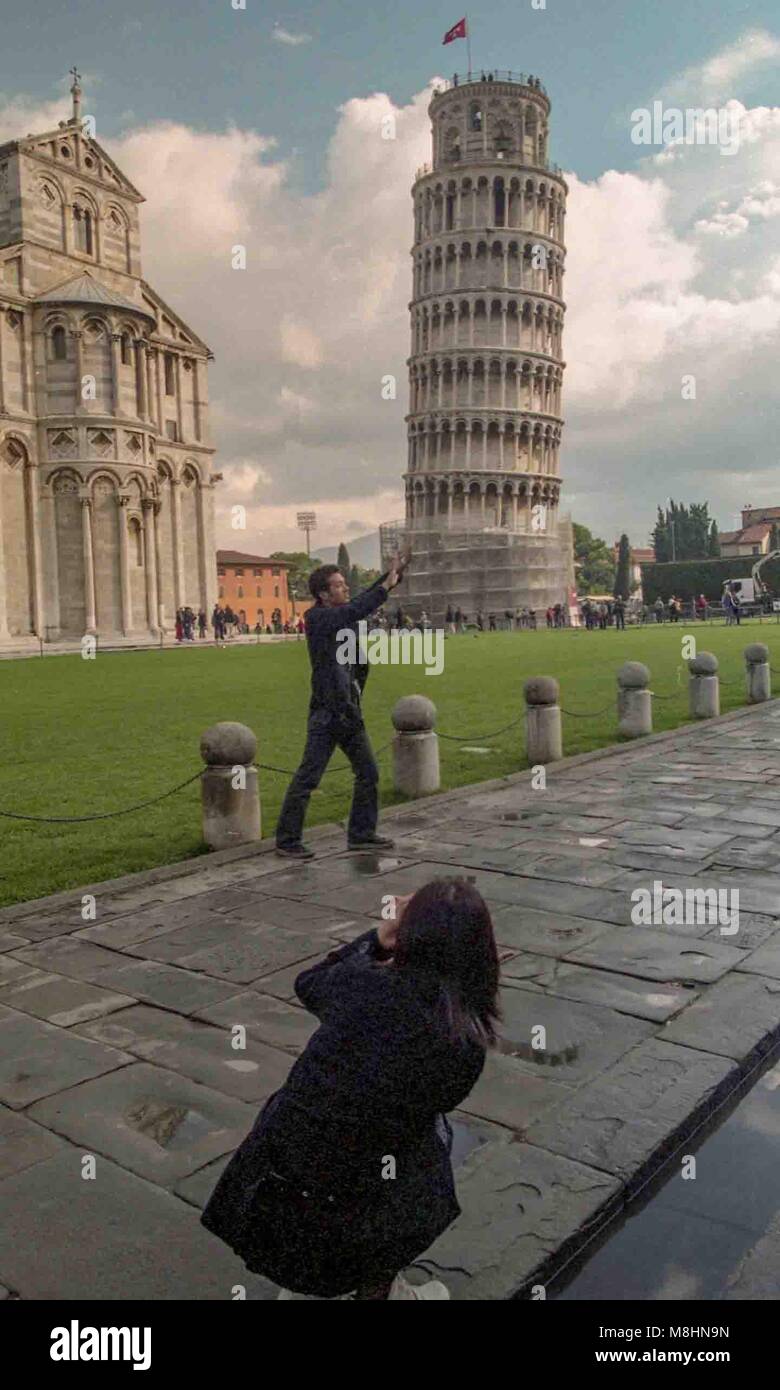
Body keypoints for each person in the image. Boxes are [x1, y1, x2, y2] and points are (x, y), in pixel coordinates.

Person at [200, 877, 500, 1301]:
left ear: (408, 936)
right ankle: (377, 1286)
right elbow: (435, 1102)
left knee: (358, 1135)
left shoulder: (361, 984)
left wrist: (379, 937)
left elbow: (309, 981)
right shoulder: (463, 1044)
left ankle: (317, 1282)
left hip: (280, 1162)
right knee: (424, 1147)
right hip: (360, 1188)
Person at [275, 555, 408, 859]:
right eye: (338, 585)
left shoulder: (340, 617)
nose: (345, 589)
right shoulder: (318, 619)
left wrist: (391, 576)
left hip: (348, 711)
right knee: (308, 777)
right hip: (327, 714)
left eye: (344, 584)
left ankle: (361, 835)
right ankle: (287, 839)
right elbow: (356, 608)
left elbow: (358, 602)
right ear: (323, 594)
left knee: (368, 774)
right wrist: (385, 586)